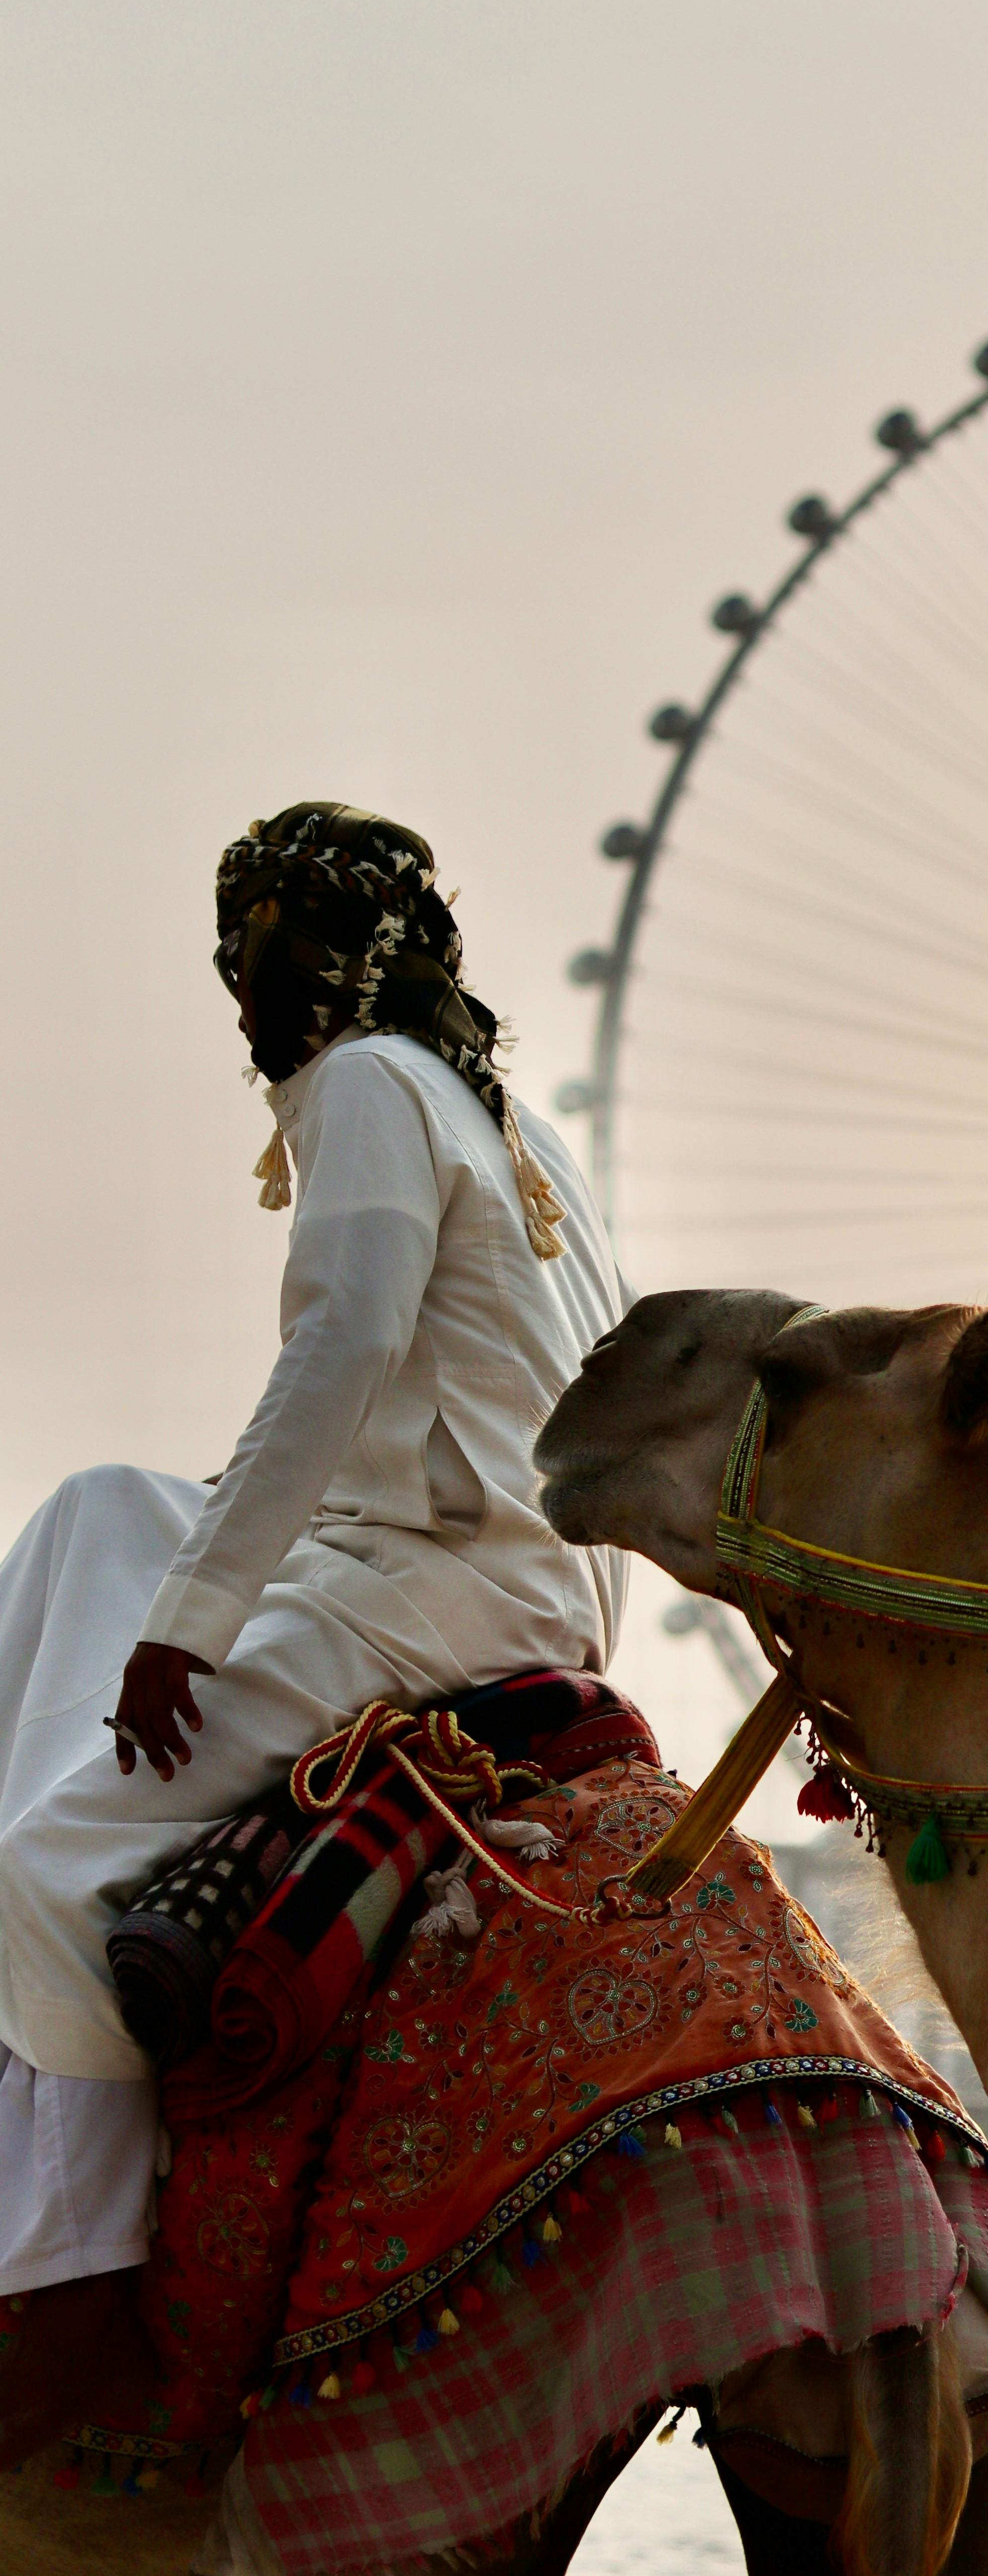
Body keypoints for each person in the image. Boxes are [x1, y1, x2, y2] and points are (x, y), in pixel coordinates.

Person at [0, 805, 627, 2445]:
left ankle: (68, 2287)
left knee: (44, 1867)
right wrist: (199, 1554)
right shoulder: (508, 1114)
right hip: (482, 1559)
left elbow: (341, 1346)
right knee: (96, 1506)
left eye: (252, 956)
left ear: (309, 963)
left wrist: (190, 1628)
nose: (240, 996)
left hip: (435, 1586)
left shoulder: (363, 1084)